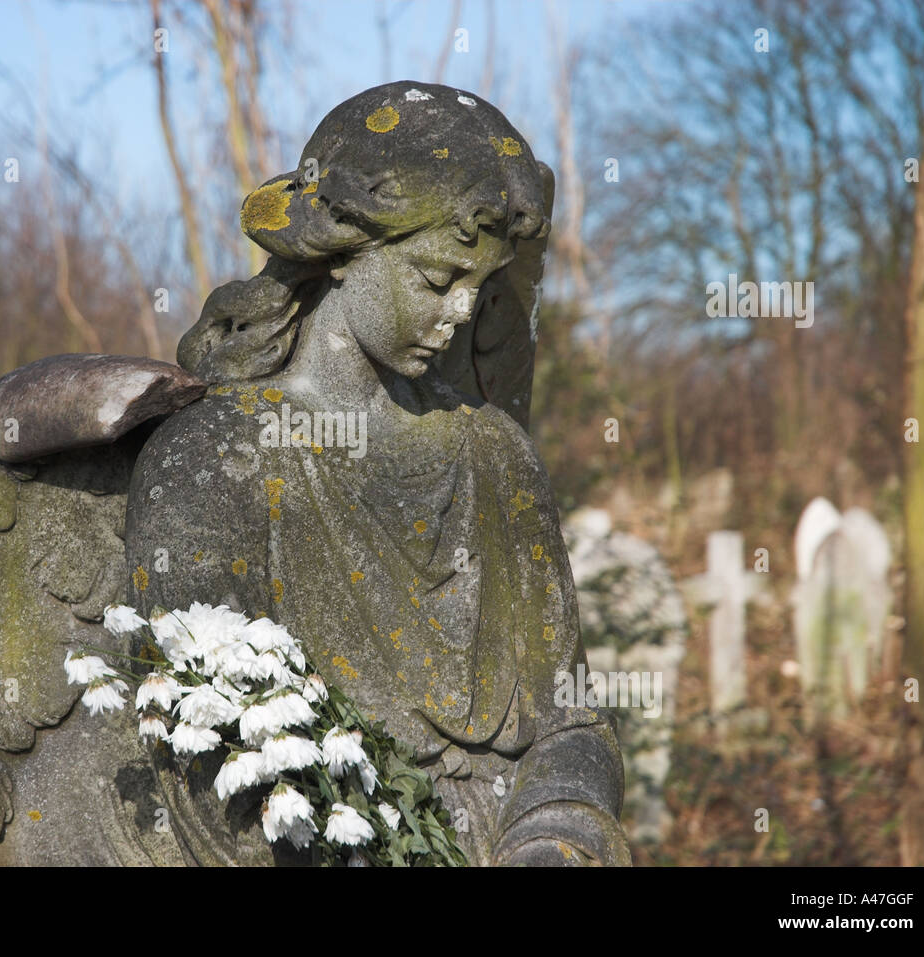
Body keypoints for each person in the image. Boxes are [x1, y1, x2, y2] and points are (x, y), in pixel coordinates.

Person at [125, 81, 629, 866]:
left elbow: (572, 725)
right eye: (437, 279)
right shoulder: (217, 460)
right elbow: (209, 769)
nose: (462, 311)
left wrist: (552, 835)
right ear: (340, 254)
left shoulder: (498, 457)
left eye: (482, 286)